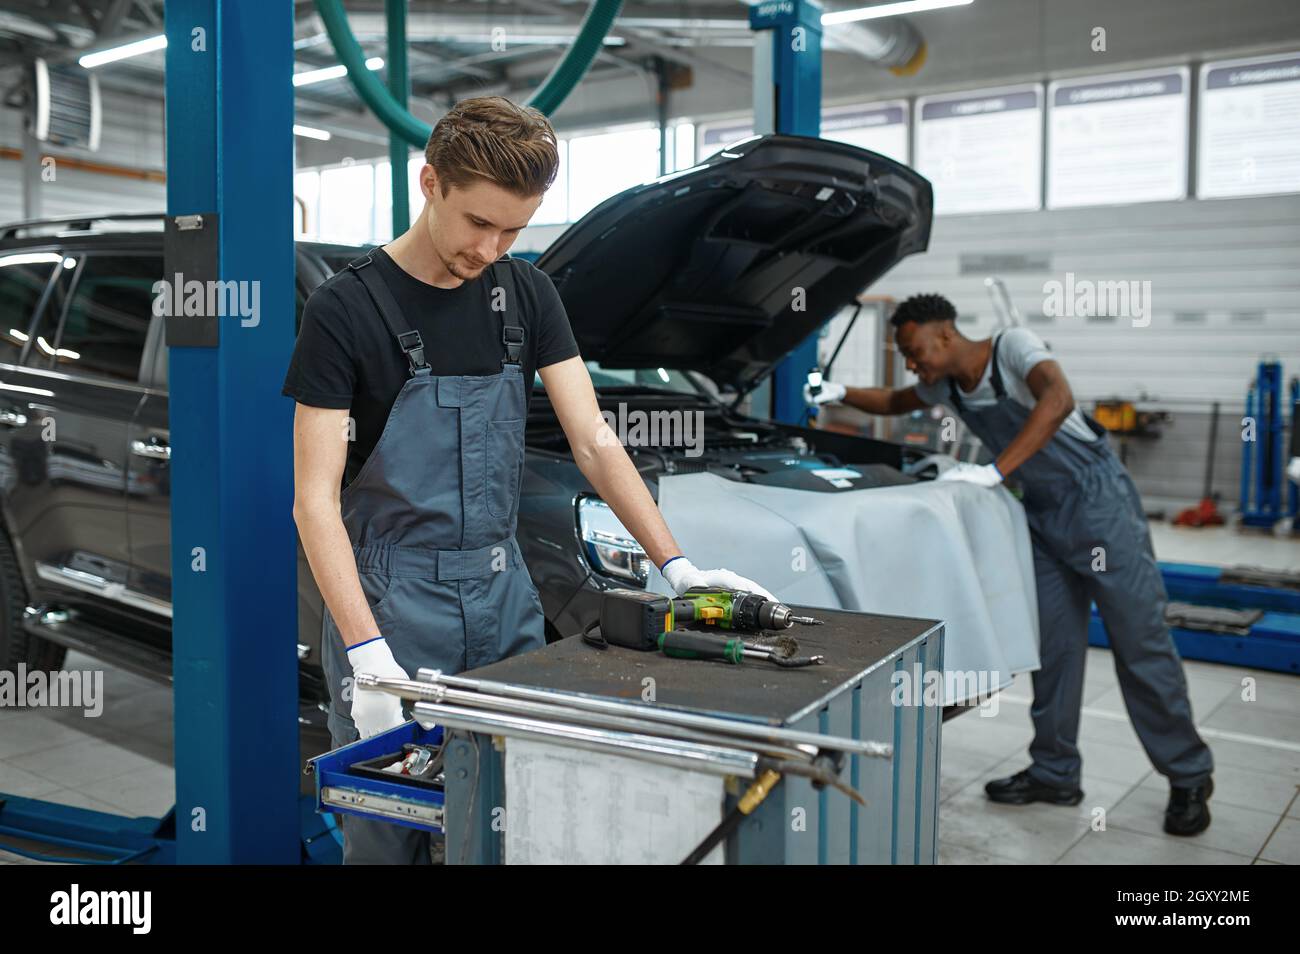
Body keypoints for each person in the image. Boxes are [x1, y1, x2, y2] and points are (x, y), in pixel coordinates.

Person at [283, 96, 773, 863]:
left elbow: (594, 440)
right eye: (479, 222)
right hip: (394, 607)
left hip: (505, 595)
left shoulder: (527, 292)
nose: (492, 248)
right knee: (392, 831)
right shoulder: (346, 310)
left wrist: (678, 566)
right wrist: (368, 653)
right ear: (430, 183)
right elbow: (313, 500)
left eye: (514, 229)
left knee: (506, 824)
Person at [805, 293, 1214, 836]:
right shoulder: (944, 384)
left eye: (912, 348)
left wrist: (996, 471)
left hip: (1097, 504)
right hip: (1043, 518)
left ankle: (1188, 775)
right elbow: (894, 401)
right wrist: (840, 392)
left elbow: (1059, 398)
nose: (910, 361)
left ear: (944, 334)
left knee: (1140, 641)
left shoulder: (1012, 349)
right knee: (1054, 649)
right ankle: (1055, 771)